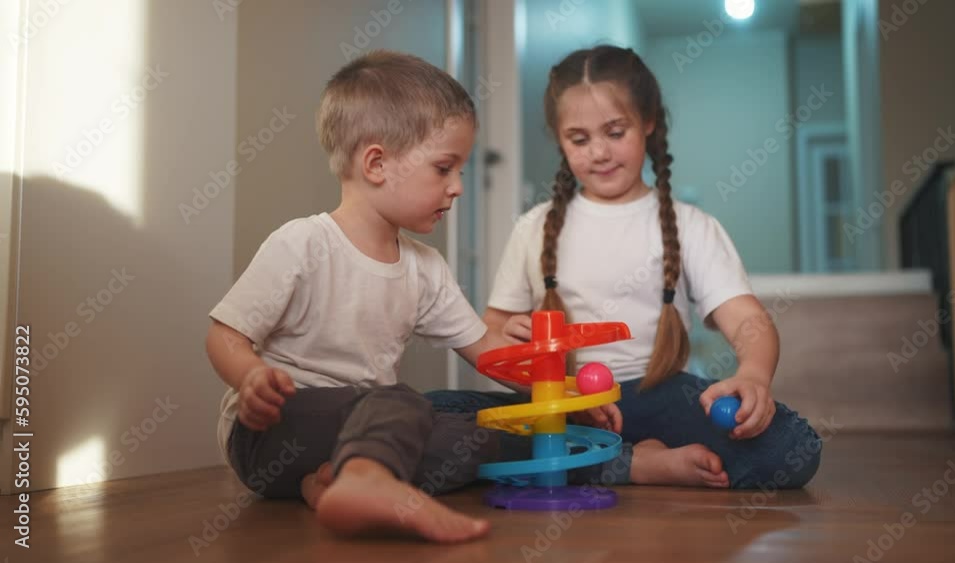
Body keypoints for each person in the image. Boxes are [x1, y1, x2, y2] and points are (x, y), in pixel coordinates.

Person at [426, 45, 823, 490]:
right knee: (427, 412)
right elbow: (492, 329)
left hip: (660, 396)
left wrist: (752, 375)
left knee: (793, 447)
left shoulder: (692, 225)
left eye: (615, 132)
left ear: (648, 123)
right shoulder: (533, 227)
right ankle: (635, 464)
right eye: (579, 139)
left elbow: (747, 318)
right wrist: (512, 341)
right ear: (560, 139)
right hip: (564, 402)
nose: (599, 152)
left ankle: (588, 462)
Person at [204, 50, 545, 543]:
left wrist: (554, 389)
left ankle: (335, 483)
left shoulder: (425, 267)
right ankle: (366, 480)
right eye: (445, 168)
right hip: (272, 432)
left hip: (355, 435)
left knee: (474, 433)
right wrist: (251, 377)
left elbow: (487, 352)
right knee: (403, 403)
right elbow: (224, 336)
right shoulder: (302, 244)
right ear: (377, 163)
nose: (458, 188)